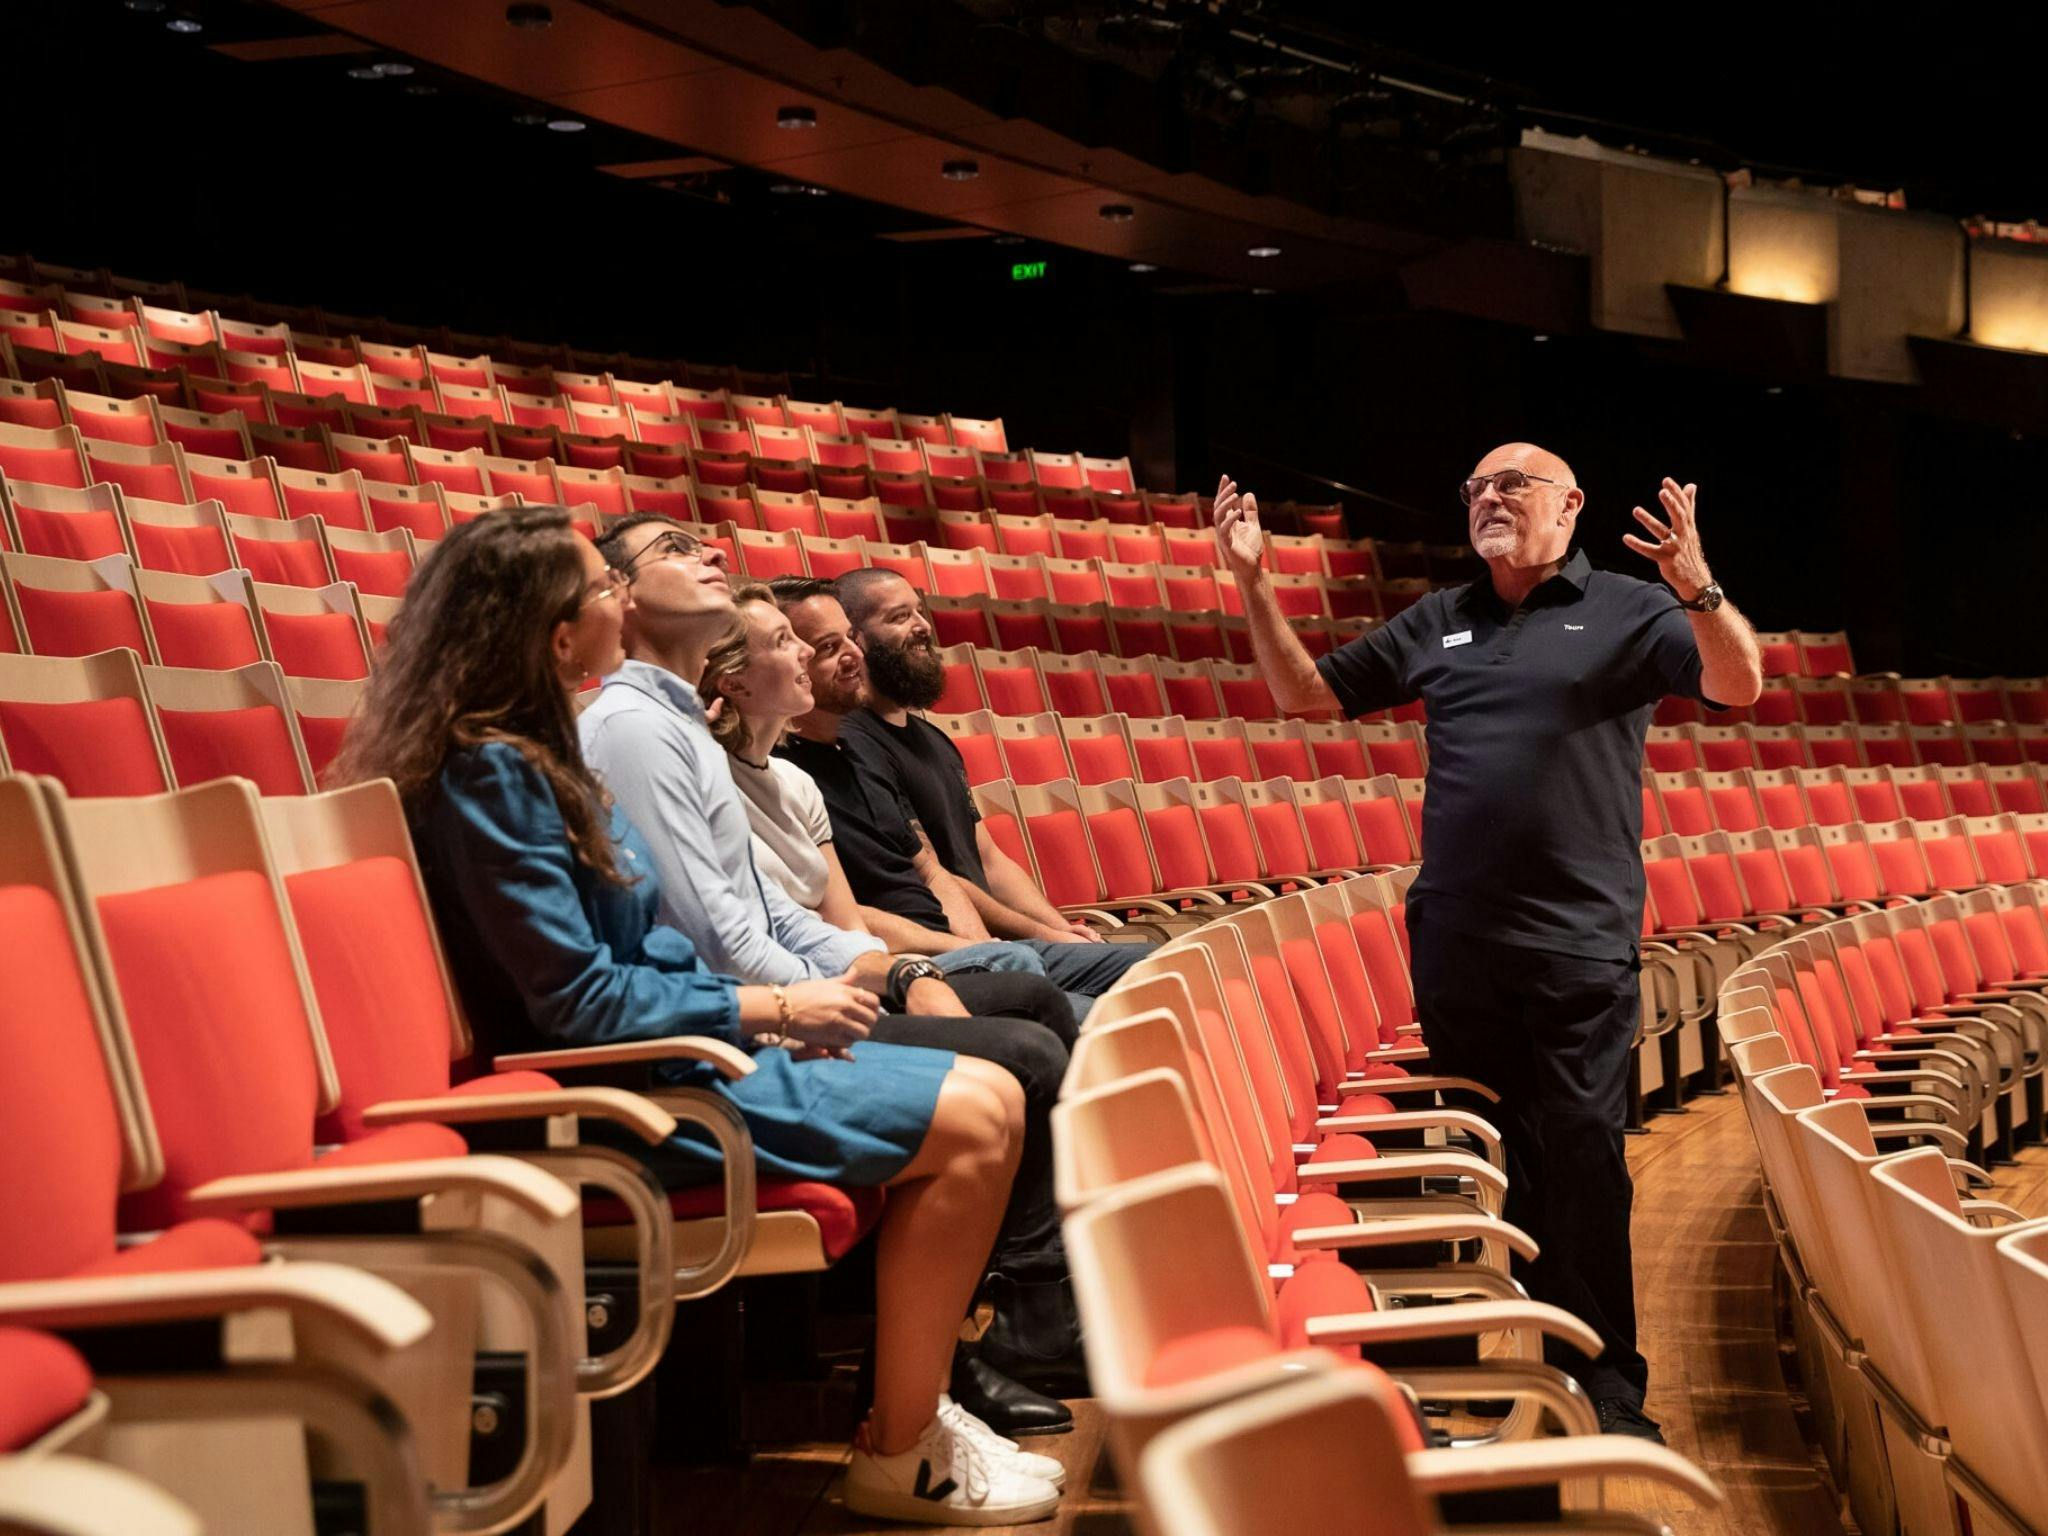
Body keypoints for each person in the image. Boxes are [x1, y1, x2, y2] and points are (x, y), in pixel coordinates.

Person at [330, 506, 1063, 1525]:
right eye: (601, 589)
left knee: (991, 1085)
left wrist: (765, 1005)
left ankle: (913, 1419)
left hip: (678, 1053)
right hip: (624, 1088)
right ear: (554, 632)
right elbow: (577, 998)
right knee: (985, 1112)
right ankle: (899, 1447)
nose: (619, 601)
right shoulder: (495, 770)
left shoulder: (538, 756)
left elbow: (650, 948)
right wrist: (766, 1005)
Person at [1213, 451, 1763, 1443]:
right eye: (1471, 488)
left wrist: (1699, 588)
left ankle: (1600, 1383)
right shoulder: (1439, 617)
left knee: (1581, 1158)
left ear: (1570, 504)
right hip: (1457, 943)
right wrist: (1253, 585)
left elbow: (1738, 683)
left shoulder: (1633, 610)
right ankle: (1457, 1386)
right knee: (1467, 1154)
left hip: (1577, 941)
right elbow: (1305, 696)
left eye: (1511, 483)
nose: (1487, 498)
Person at [576, 513, 1085, 1417]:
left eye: (706, 543)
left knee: (1027, 1014)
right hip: (726, 1033)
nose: (710, 554)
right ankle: (950, 1363)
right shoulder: (632, 728)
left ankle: (984, 1335)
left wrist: (883, 972)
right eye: (675, 550)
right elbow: (713, 938)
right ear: (618, 594)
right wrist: (831, 993)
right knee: (1022, 1054)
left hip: (757, 1004)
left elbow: (771, 911)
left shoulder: (679, 725)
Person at [775, 574, 1153, 1016]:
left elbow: (943, 869)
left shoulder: (868, 750)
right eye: (899, 617)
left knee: (1167, 966)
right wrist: (983, 949)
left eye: (919, 611)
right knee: (1117, 1015)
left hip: (967, 947)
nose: (922, 626)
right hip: (913, 963)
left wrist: (1048, 931)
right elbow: (838, 916)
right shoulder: (826, 757)